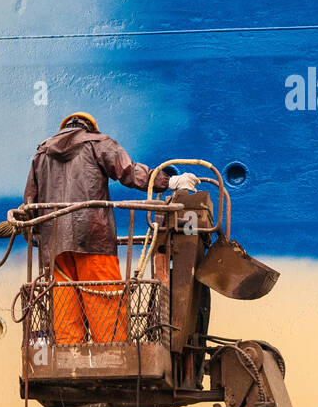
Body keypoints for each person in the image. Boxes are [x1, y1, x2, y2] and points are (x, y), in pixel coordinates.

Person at [24, 112, 196, 344]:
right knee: (106, 309)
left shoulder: (42, 153)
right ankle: (112, 360)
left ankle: (71, 365)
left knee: (66, 312)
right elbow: (128, 172)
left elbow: (30, 205)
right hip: (94, 239)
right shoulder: (98, 142)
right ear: (89, 127)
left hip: (54, 247)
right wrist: (168, 182)